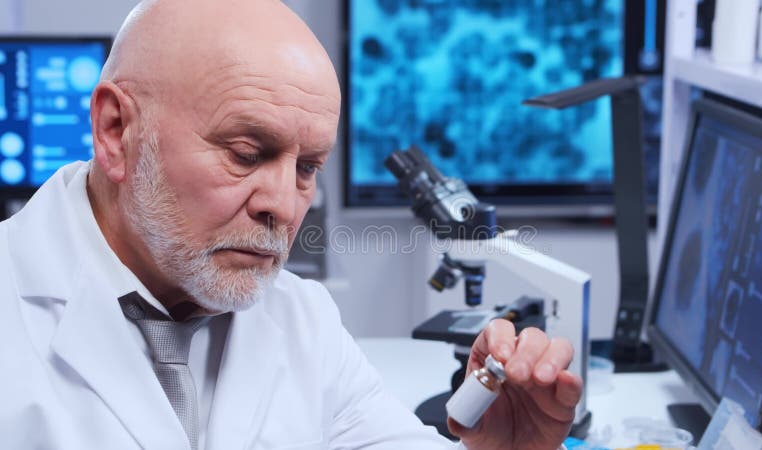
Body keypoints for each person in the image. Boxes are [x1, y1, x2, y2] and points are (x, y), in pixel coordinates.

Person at [0, 0, 582, 449]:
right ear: (115, 131)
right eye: (247, 152)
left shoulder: (303, 320)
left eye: (306, 168)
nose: (283, 205)